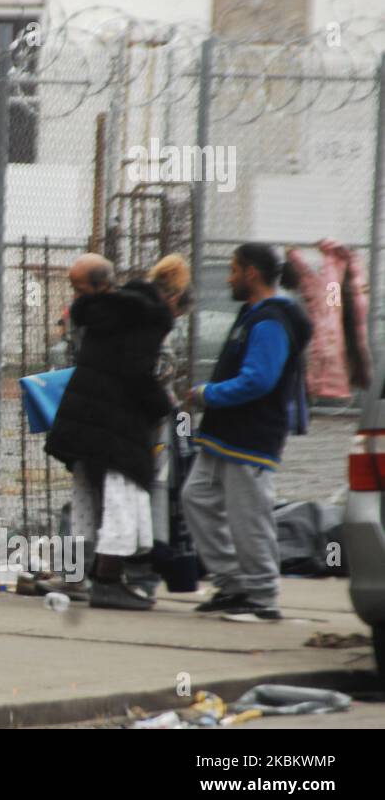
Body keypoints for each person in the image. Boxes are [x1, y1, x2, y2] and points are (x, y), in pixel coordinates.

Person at [182, 243, 312, 623]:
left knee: (248, 515)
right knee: (197, 498)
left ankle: (262, 595)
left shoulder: (272, 320)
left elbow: (259, 380)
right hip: (224, 435)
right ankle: (234, 583)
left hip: (251, 436)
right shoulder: (252, 314)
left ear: (251, 273)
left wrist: (209, 394)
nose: (229, 278)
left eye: (233, 270)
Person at [45, 257, 175, 610]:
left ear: (102, 286)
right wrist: (163, 406)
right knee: (122, 497)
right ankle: (107, 579)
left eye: (78, 288)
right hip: (118, 423)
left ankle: (76, 577)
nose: (75, 296)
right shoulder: (140, 319)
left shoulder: (102, 317)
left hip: (87, 417)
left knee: (87, 499)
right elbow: (141, 373)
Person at [124, 253, 196, 598]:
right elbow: (156, 372)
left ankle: (132, 563)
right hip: (147, 417)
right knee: (152, 485)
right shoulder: (155, 322)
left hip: (131, 415)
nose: (178, 319)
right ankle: (145, 564)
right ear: (173, 299)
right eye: (180, 312)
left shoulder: (129, 307)